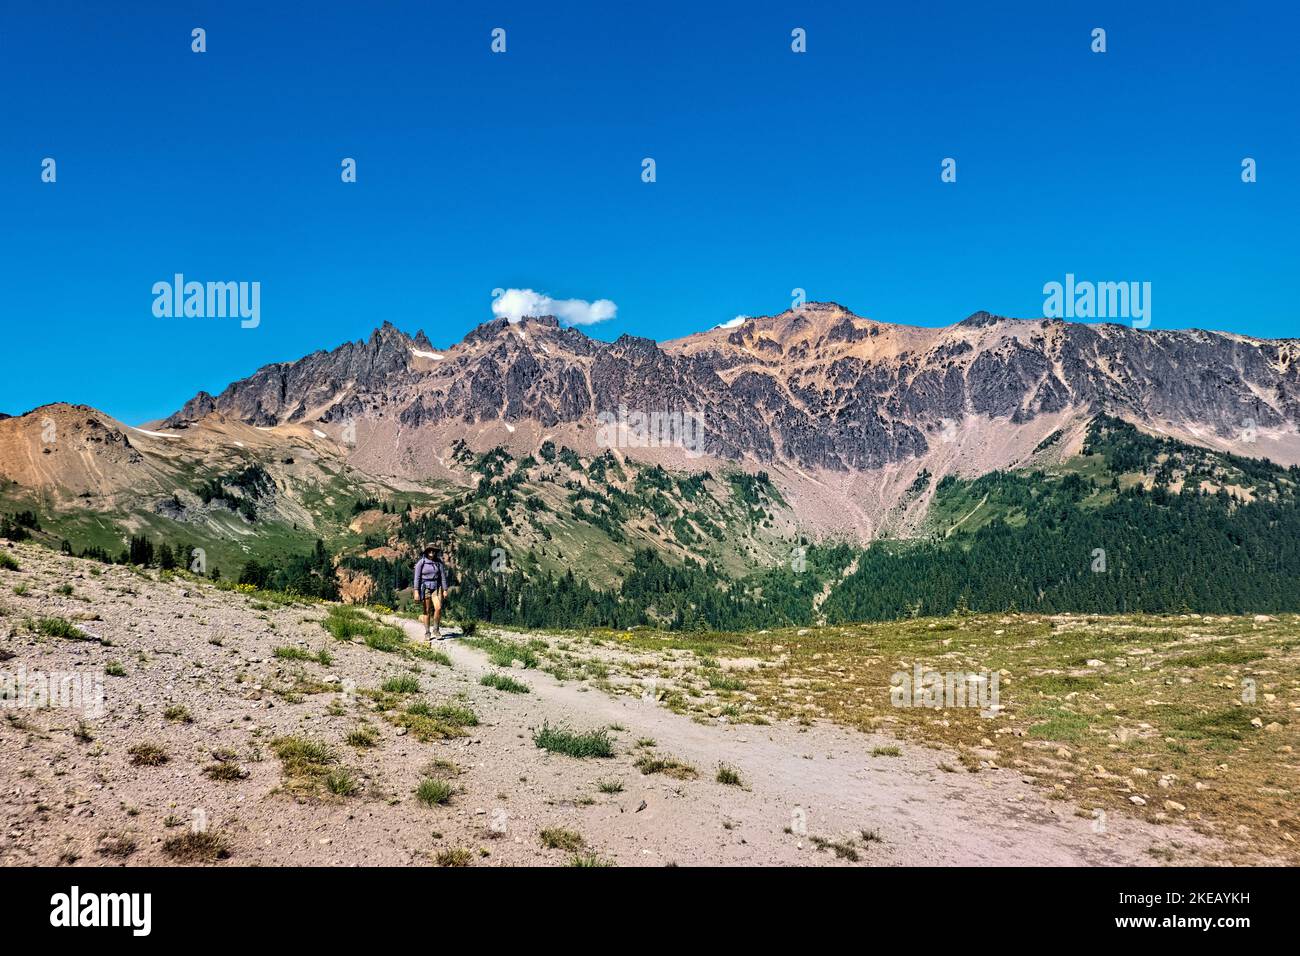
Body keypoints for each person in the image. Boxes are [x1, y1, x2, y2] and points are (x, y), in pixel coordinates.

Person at [413, 545, 448, 641]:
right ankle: (427, 632)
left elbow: (443, 577)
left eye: (433, 551)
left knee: (438, 608)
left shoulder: (438, 563)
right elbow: (417, 578)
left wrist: (445, 589)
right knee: (426, 610)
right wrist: (416, 592)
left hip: (436, 587)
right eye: (430, 551)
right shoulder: (421, 563)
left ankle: (436, 630)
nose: (431, 553)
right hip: (425, 588)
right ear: (426, 552)